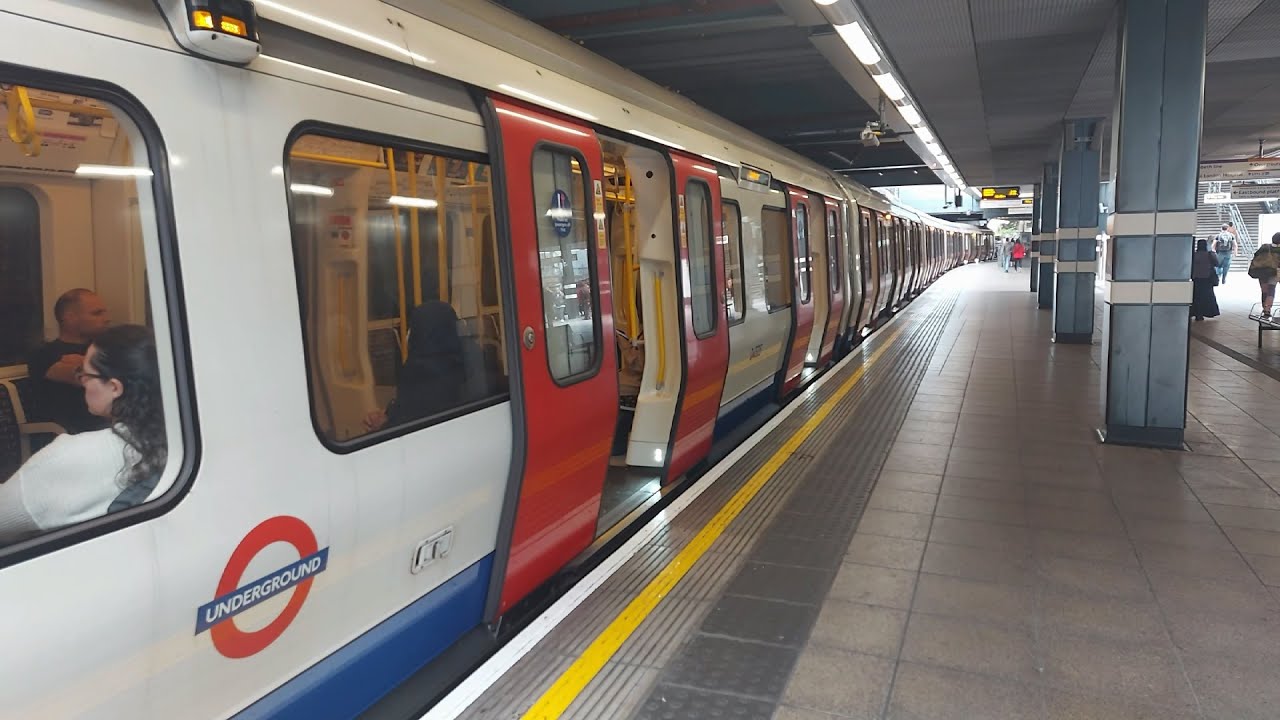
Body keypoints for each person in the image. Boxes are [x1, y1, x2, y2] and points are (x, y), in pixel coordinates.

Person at [0, 325, 166, 543]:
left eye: (85, 374)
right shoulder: (184, 441)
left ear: (115, 387)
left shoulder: (73, 456)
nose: (82, 383)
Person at [364, 301, 468, 432]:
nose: (408, 334)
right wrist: (390, 412)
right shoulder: (466, 361)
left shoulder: (421, 375)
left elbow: (407, 424)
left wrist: (382, 426)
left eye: (412, 328)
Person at [26, 289, 111, 434]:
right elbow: (84, 379)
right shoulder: (45, 354)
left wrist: (84, 361)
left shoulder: (104, 349)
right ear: (70, 318)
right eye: (96, 313)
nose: (107, 318)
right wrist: (98, 367)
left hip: (110, 426)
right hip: (71, 433)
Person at [1248, 233, 1280, 317]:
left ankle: (1265, 309)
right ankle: (1267, 309)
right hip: (1274, 272)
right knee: (1271, 290)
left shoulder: (1264, 247)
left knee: (1264, 290)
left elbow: (1256, 256)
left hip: (1262, 271)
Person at [1190, 238, 1220, 321]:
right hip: (1207, 278)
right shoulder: (1210, 254)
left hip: (1196, 278)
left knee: (1196, 297)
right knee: (1207, 296)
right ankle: (1207, 312)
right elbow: (1217, 264)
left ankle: (1197, 314)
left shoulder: (1193, 255)